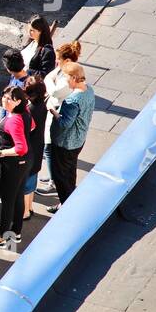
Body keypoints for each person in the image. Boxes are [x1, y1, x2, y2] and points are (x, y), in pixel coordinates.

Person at [47, 63, 95, 208]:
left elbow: (64, 124)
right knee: (70, 172)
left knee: (60, 177)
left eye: (67, 78)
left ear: (74, 78)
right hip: (79, 139)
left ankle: (66, 205)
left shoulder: (72, 100)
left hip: (65, 143)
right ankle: (68, 202)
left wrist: (53, 111)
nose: (66, 81)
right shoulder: (89, 90)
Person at [0, 87, 31, 246]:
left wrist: (1, 152)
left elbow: (21, 148)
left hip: (13, 164)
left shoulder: (14, 119)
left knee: (8, 201)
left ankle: (1, 237)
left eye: (10, 99)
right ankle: (16, 232)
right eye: (4, 97)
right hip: (24, 162)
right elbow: (32, 126)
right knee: (18, 196)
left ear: (18, 101)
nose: (5, 100)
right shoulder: (24, 113)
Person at [41, 39, 83, 192]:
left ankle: (54, 181)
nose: (56, 62)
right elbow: (49, 78)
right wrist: (49, 80)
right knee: (49, 147)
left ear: (67, 61)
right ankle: (53, 176)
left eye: (58, 59)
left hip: (58, 114)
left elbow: (54, 91)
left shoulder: (68, 78)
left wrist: (49, 81)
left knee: (49, 147)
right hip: (54, 110)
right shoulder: (61, 70)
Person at [21, 77, 49, 222]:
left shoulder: (30, 109)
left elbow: (27, 130)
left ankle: (25, 211)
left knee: (26, 181)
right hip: (38, 145)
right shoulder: (41, 105)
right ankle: (30, 206)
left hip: (30, 148)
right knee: (32, 178)